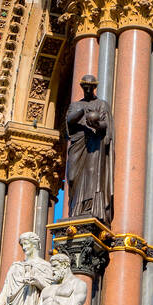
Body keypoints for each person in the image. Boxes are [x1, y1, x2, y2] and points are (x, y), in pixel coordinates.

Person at [65, 76, 115, 225]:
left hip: (94, 144)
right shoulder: (76, 106)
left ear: (94, 87)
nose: (87, 90)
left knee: (92, 174)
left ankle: (90, 208)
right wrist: (82, 112)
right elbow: (69, 121)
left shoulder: (101, 104)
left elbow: (106, 125)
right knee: (73, 177)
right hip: (78, 144)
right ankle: (76, 209)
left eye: (90, 87)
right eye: (84, 87)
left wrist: (95, 124)